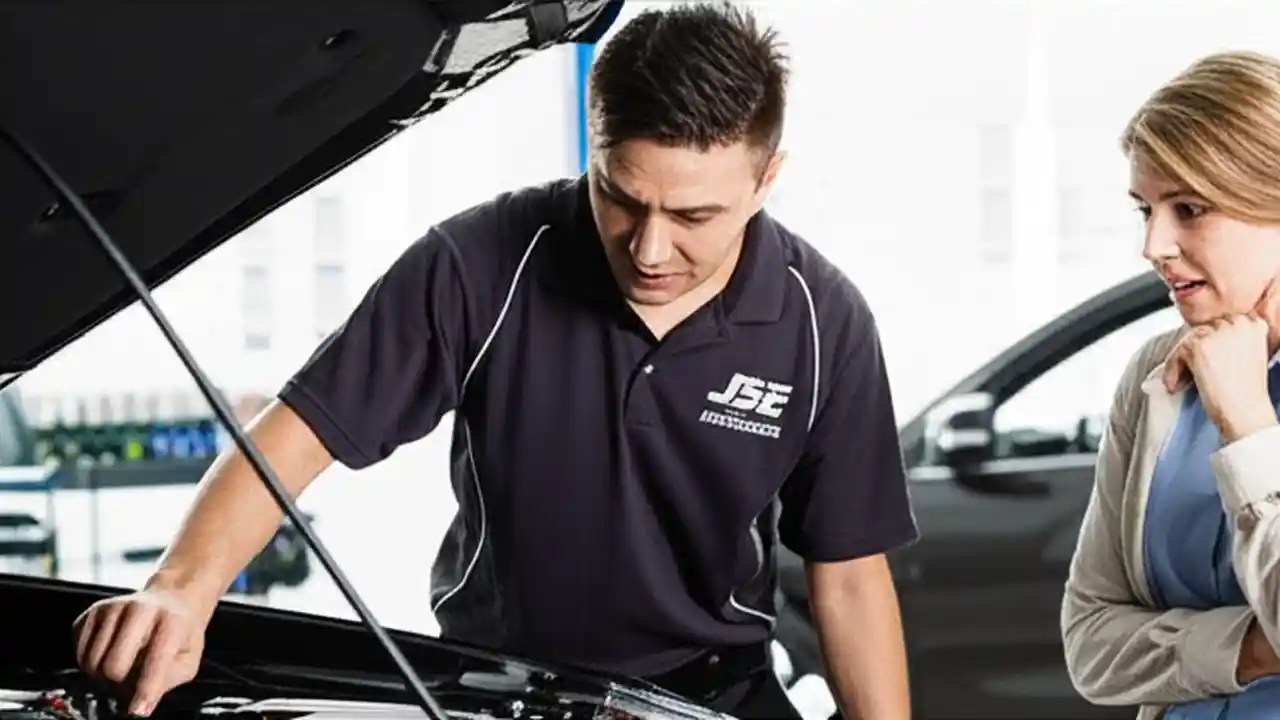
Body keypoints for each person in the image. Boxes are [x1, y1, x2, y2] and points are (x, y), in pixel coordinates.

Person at [71, 4, 919, 719]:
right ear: (593, 146)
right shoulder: (479, 263)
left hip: (712, 693)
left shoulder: (823, 321)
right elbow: (294, 437)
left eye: (694, 215)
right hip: (499, 687)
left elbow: (846, 576)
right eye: (621, 197)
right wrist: (181, 588)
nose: (651, 247)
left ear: (767, 178)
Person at [1061, 50, 1280, 720]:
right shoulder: (1158, 374)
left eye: (1189, 208)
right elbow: (1090, 639)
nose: (1153, 244)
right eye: (1145, 210)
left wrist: (1247, 424)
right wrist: (1245, 647)